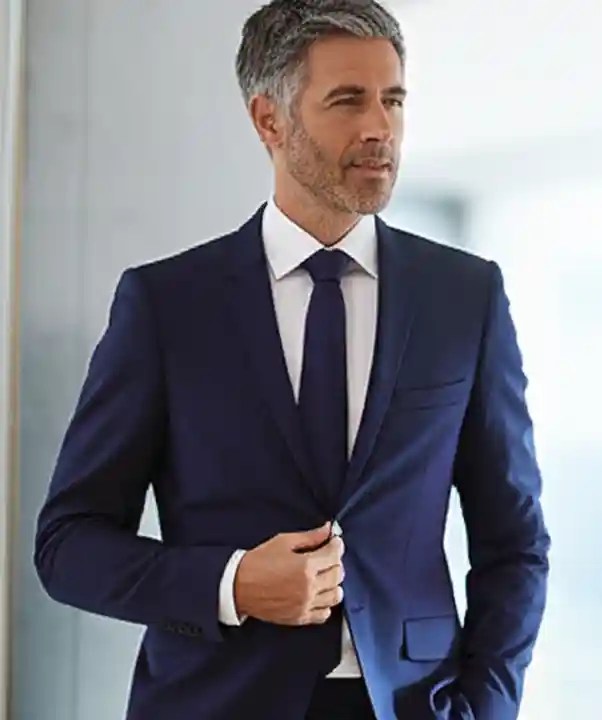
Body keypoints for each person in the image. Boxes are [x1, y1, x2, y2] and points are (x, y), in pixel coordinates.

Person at [32, 1, 549, 718]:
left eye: (392, 99)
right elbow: (69, 546)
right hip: (214, 702)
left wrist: (484, 709)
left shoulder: (465, 298)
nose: (380, 128)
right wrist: (233, 583)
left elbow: (514, 542)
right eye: (347, 101)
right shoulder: (167, 305)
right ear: (269, 120)